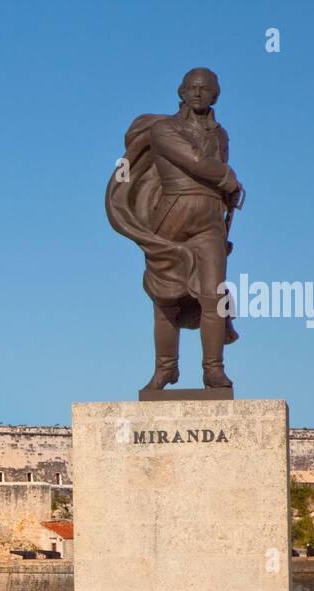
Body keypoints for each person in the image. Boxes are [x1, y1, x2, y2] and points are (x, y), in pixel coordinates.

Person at [107, 67, 244, 389]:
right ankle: (165, 368)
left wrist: (226, 202)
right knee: (165, 297)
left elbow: (214, 174)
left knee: (213, 296)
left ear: (215, 95)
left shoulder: (221, 135)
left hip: (209, 222)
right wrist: (228, 178)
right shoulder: (164, 130)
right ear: (181, 93)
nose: (198, 92)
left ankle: (213, 369)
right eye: (192, 87)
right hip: (171, 217)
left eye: (205, 88)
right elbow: (194, 161)